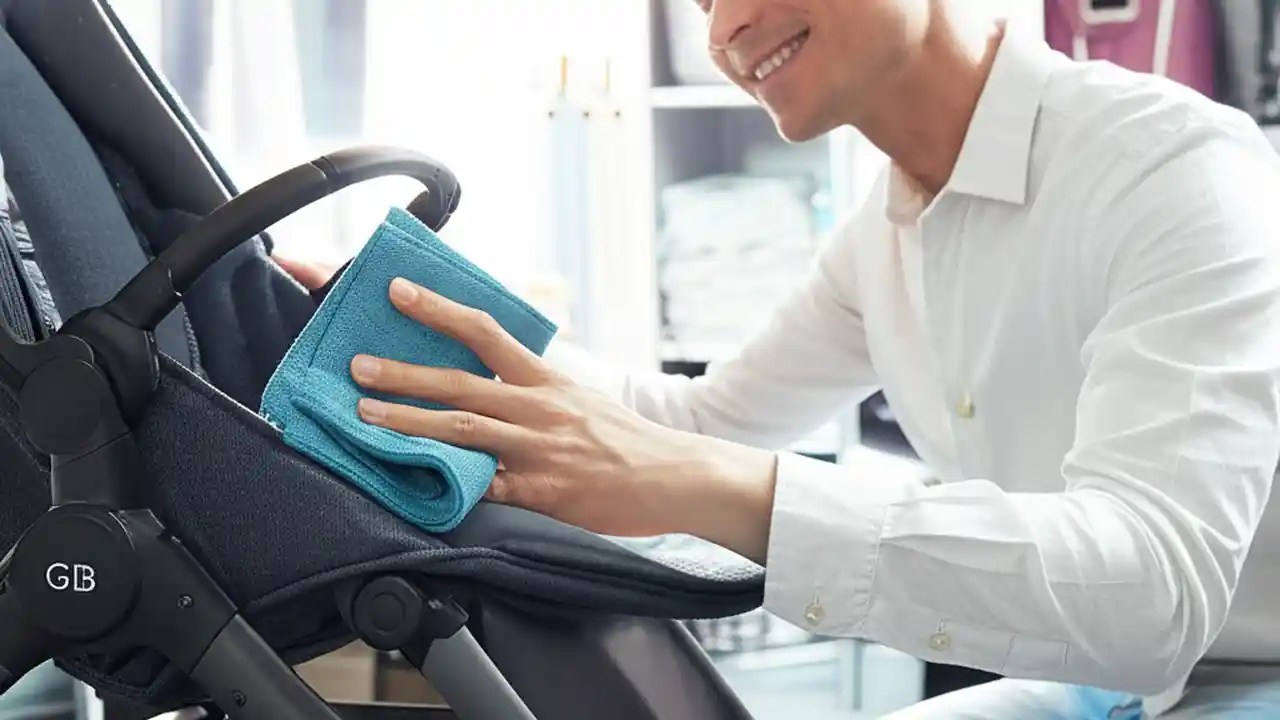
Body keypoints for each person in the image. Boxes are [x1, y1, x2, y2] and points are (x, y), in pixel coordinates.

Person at [275, 0, 1280, 717]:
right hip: (1118, 686)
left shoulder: (1170, 169)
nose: (719, 31)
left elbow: (1157, 593)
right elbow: (701, 424)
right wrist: (446, 326)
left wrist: (738, 494)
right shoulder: (880, 241)